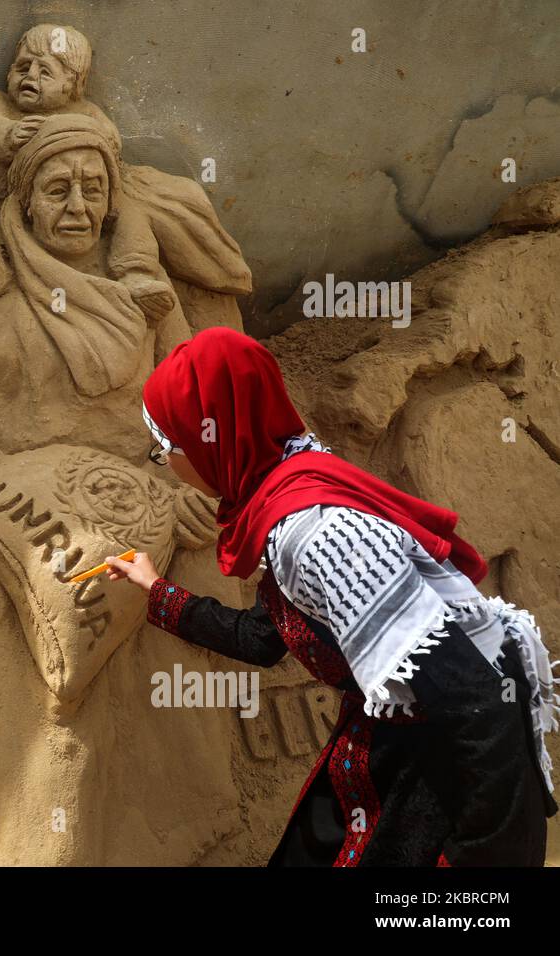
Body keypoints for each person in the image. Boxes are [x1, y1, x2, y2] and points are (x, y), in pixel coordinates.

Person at [104, 326, 559, 866]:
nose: (170, 465)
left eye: (167, 447)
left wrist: (476, 862)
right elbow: (264, 637)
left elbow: (480, 703)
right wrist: (157, 592)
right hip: (390, 752)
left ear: (212, 439)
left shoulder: (319, 535)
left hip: (452, 783)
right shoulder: (283, 490)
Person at [0, 23, 174, 318]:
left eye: (45, 71)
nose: (30, 77)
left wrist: (88, 137)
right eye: (23, 67)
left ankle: (137, 272)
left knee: (128, 208)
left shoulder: (85, 113)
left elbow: (110, 139)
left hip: (60, 191)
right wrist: (11, 134)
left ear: (71, 85)